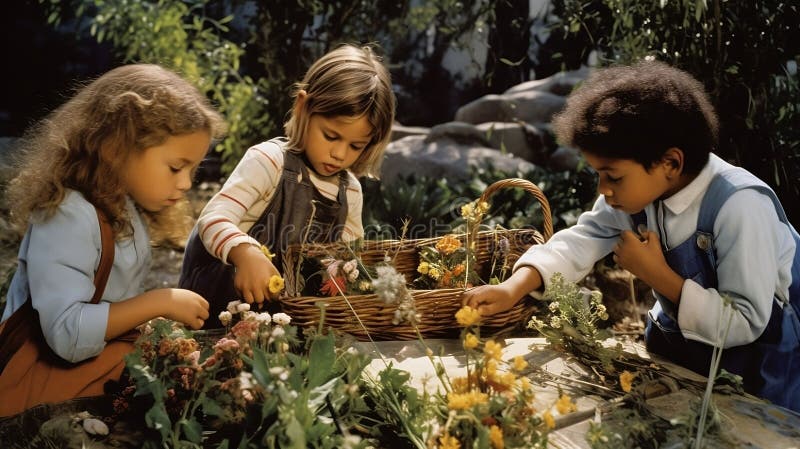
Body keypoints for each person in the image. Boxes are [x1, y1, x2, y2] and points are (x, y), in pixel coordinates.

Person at [462, 60, 800, 411]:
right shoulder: (639, 195)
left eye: (613, 176)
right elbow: (584, 238)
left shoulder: (740, 205)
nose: (603, 189)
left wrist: (658, 276)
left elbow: (745, 320)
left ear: (670, 163)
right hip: (690, 357)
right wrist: (511, 288)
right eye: (598, 175)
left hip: (759, 369)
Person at [0, 64, 226, 416]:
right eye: (175, 167)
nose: (185, 184)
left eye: (192, 170)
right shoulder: (68, 215)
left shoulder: (120, 206)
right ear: (116, 148)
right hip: (41, 376)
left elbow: (112, 299)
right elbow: (66, 335)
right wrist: (158, 302)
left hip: (92, 360)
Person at [179, 43, 395, 326]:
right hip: (215, 312)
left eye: (356, 145)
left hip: (284, 324)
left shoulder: (350, 191)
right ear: (303, 106)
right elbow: (211, 220)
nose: (340, 154)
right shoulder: (269, 161)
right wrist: (245, 253)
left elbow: (347, 260)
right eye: (331, 136)